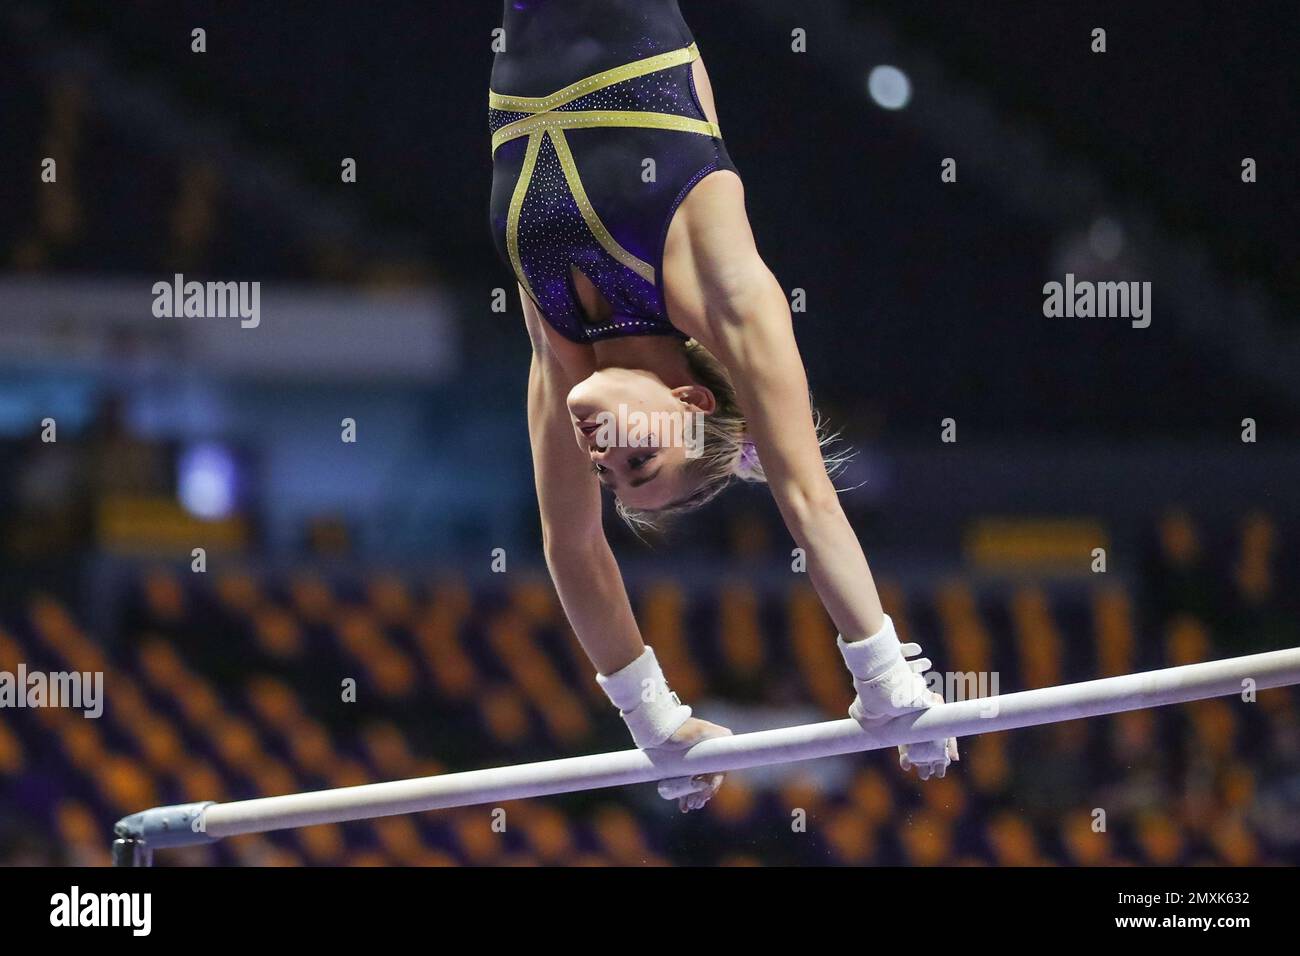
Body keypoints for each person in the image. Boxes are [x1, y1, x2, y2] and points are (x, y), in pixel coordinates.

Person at [489, 0, 957, 811]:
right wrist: (882, 672)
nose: (599, 457)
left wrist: (655, 722)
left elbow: (571, 547)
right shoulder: (724, 290)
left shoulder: (557, 348)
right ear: (690, 400)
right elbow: (806, 495)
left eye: (612, 476)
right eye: (642, 458)